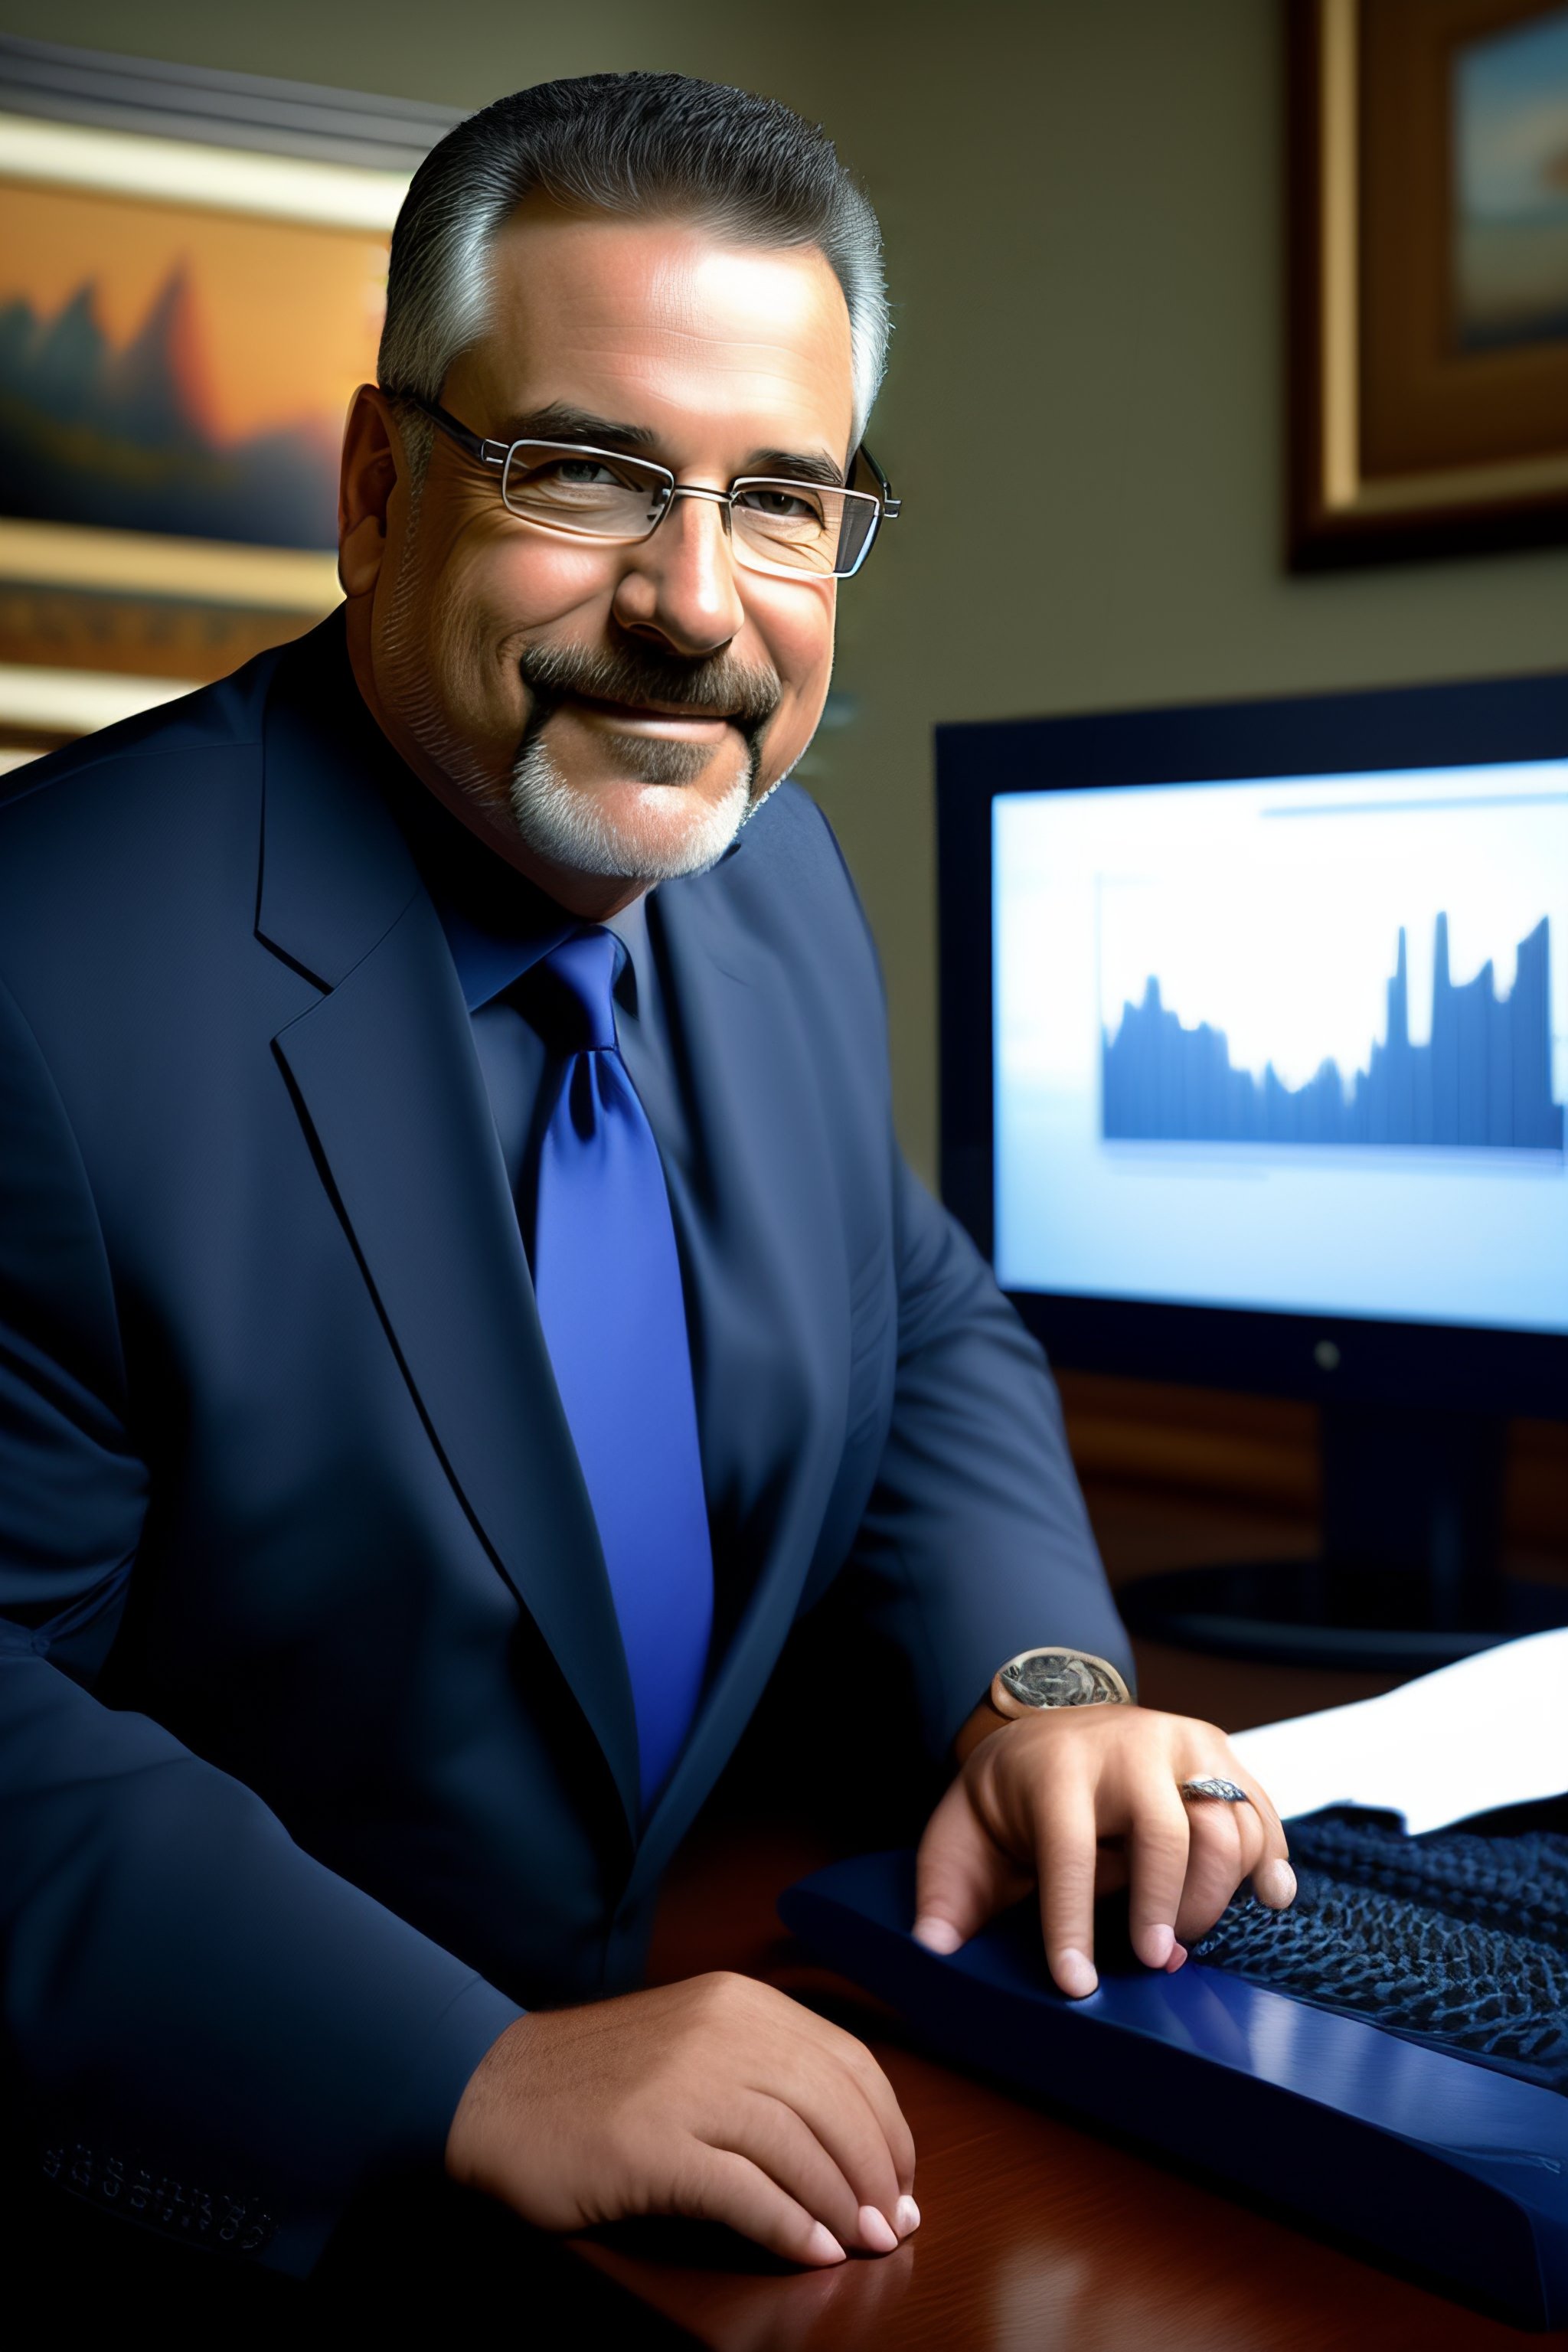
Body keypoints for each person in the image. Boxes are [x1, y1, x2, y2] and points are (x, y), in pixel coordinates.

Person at [0, 70, 1295, 2285]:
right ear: (379, 487)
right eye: (589, 473)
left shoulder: (769, 876)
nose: (698, 604)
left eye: (781, 497)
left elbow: (923, 1311)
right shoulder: (45, 976)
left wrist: (1039, 1692)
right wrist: (465, 2066)